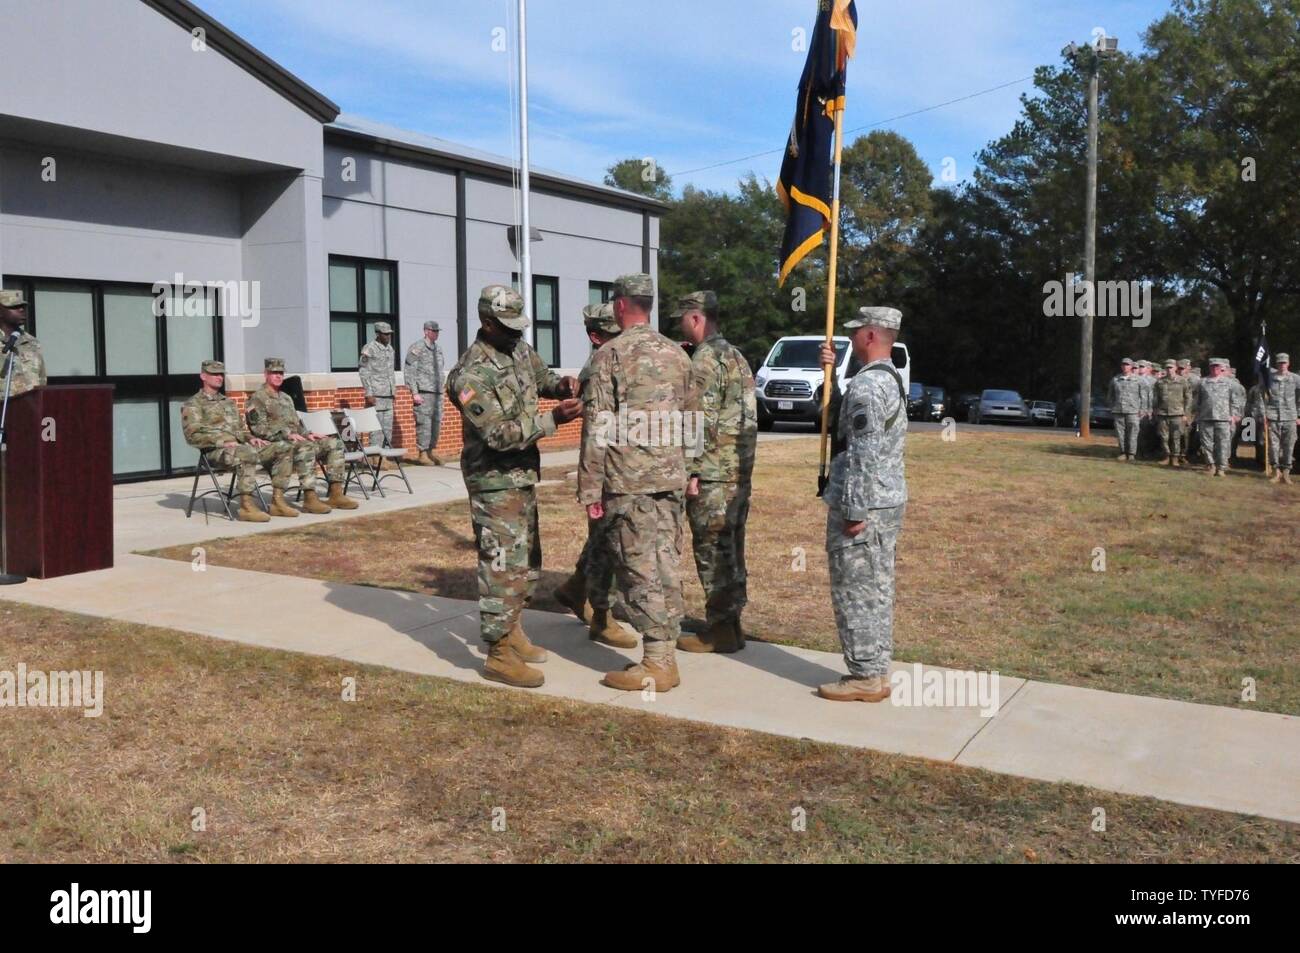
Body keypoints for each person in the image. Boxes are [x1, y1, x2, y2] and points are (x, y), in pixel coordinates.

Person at [446, 286, 581, 688]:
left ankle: (514, 628)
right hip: (493, 481)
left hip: (521, 476)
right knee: (501, 565)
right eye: (508, 327)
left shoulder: (518, 347)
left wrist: (560, 386)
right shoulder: (469, 376)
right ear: (486, 323)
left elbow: (540, 376)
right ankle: (498, 652)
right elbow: (499, 436)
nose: (517, 334)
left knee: (526, 561)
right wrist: (553, 419)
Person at [577, 273, 692, 693]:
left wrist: (590, 490)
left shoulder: (611, 355)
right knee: (666, 564)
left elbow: (598, 429)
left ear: (621, 306)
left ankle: (659, 662)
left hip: (628, 483)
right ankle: (666, 654)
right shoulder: (678, 355)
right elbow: (692, 420)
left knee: (638, 568)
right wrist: (689, 472)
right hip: (669, 480)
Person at [816, 307, 908, 702]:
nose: (852, 340)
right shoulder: (887, 379)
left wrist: (854, 510)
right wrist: (831, 378)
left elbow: (863, 452)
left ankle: (864, 676)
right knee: (877, 587)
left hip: (866, 503)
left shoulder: (870, 386)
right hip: (885, 499)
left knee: (856, 590)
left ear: (871, 336)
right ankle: (877, 670)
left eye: (856, 333)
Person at [673, 290, 758, 655]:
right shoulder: (736, 356)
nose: (680, 324)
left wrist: (691, 472)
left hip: (712, 475)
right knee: (731, 549)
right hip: (737, 474)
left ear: (696, 318)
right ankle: (732, 623)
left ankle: (721, 628)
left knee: (712, 549)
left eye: (682, 318)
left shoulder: (705, 361)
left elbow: (698, 422)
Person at [551, 301, 636, 648]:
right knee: (607, 545)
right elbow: (595, 433)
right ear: (596, 335)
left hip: (622, 467)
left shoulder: (615, 361)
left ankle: (574, 589)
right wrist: (591, 489)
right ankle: (602, 616)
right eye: (614, 334)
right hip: (605, 471)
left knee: (604, 540)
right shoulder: (598, 368)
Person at [180, 360, 297, 523]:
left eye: (221, 374)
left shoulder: (228, 402)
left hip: (239, 448)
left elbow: (241, 430)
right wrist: (222, 442)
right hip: (215, 452)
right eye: (214, 374)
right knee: (246, 453)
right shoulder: (193, 404)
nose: (218, 378)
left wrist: (252, 438)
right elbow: (192, 436)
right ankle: (246, 506)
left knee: (283, 447)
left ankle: (278, 501)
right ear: (203, 376)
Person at [245, 357, 359, 513]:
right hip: (275, 445)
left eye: (280, 373)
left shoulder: (286, 398)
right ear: (266, 374)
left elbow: (296, 424)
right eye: (274, 373)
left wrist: (308, 433)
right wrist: (287, 435)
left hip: (295, 441)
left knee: (334, 443)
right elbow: (258, 429)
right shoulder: (257, 398)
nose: (278, 376)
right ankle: (310, 498)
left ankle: (336, 493)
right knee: (305, 447)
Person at [1250, 352, 1300, 484]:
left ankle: (1286, 473)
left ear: (1288, 364)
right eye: (1279, 363)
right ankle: (1276, 472)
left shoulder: (1295, 379)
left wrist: (1298, 415)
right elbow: (1260, 397)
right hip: (1272, 416)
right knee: (1273, 447)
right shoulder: (1268, 378)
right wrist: (1263, 414)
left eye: (1284, 363)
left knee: (1289, 445)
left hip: (1290, 417)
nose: (1282, 365)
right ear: (1276, 364)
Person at [404, 320, 446, 466]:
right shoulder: (417, 348)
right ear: (426, 331)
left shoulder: (438, 349)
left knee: (436, 423)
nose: (436, 334)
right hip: (423, 392)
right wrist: (414, 393)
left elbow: (440, 370)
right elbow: (410, 372)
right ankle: (422, 453)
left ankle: (431, 452)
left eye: (437, 331)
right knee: (424, 423)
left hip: (437, 393)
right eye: (434, 331)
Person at [1195, 358, 1243, 476]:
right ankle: (1210, 465)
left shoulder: (1230, 383)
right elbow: (1197, 401)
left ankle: (1221, 468)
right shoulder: (1202, 382)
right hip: (1206, 417)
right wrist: (1196, 415)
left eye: (1217, 366)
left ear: (1221, 368)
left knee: (1223, 444)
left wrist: (1235, 415)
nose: (1215, 368)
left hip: (1224, 418)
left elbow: (1236, 401)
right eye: (1213, 366)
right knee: (1206, 444)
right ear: (1209, 367)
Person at [359, 320, 398, 466]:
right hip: (375, 394)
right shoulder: (369, 349)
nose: (388, 337)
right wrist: (369, 392)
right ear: (378, 334)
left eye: (389, 334)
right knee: (376, 427)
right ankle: (374, 458)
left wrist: (393, 391)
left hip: (388, 394)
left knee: (387, 427)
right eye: (385, 334)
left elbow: (390, 372)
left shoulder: (390, 349)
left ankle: (384, 457)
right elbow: (364, 372)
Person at [0, 290, 46, 398]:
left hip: (31, 408)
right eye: (14, 307)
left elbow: (42, 379)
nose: (21, 310)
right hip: (4, 409)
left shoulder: (32, 342)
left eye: (22, 306)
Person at [1153, 358, 1191, 466]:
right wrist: (1155, 409)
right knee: (1164, 437)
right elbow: (1155, 397)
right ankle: (1166, 456)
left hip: (1177, 413)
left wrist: (1185, 413)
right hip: (1163, 413)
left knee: (1176, 437)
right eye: (1167, 367)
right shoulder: (1160, 382)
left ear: (1175, 368)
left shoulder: (1183, 381)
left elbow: (1188, 398)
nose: (1169, 369)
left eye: (1171, 367)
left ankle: (1175, 458)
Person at [1107, 358, 1142, 460]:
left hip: (1133, 411)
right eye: (1123, 365)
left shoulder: (1138, 380)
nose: (1125, 366)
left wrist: (1143, 409)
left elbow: (1144, 396)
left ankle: (1131, 454)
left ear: (1131, 366)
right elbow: (1110, 395)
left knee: (1132, 433)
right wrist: (1112, 407)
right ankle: (1122, 452)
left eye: (1127, 365)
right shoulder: (1116, 379)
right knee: (1120, 433)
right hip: (1119, 410)